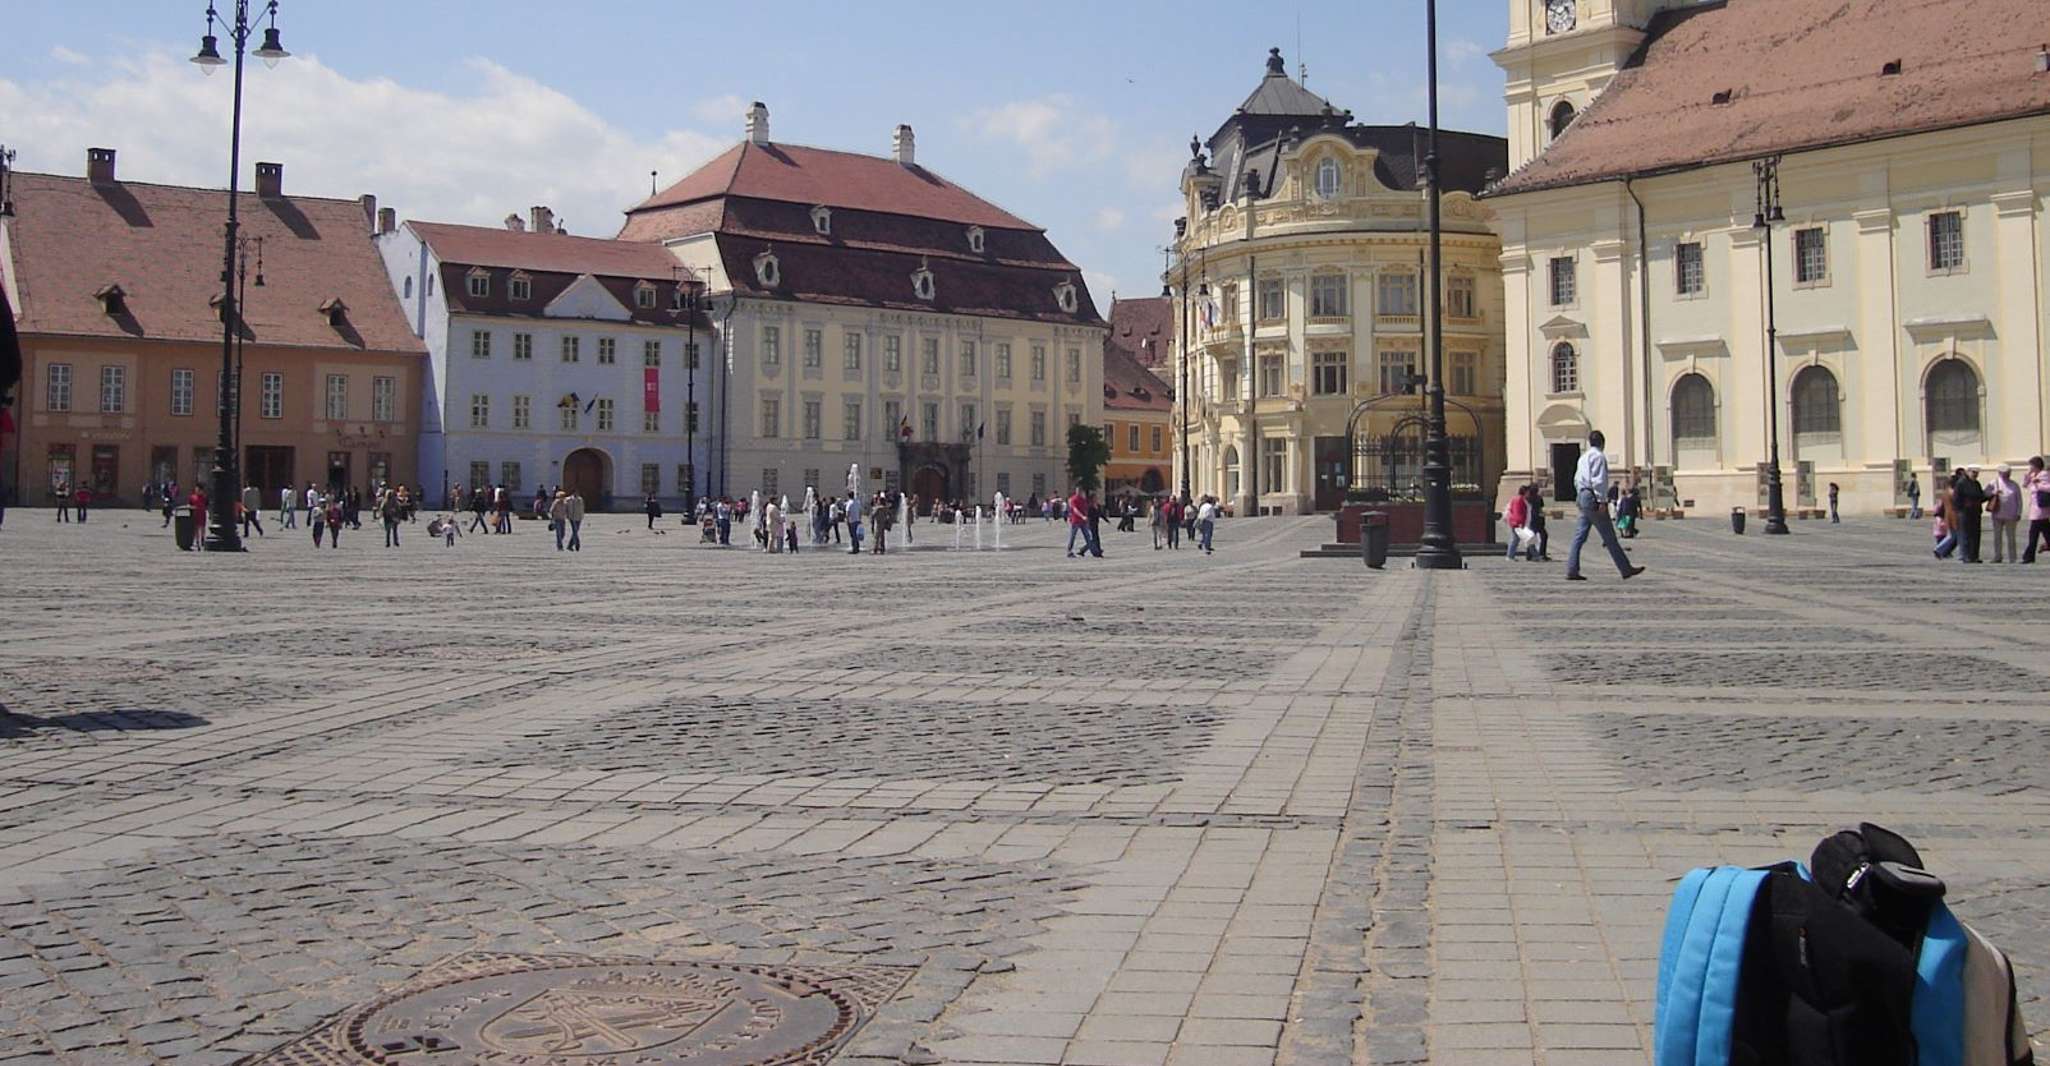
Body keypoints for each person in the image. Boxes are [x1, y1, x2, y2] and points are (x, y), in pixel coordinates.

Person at [1565, 429, 1644, 582]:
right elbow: (1599, 481)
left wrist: (1580, 496)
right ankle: (1625, 568)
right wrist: (1602, 501)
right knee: (1609, 537)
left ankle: (1572, 569)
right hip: (1593, 497)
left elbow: (1576, 478)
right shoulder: (1599, 457)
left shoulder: (1583, 457)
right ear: (1602, 443)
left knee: (1579, 536)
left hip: (1582, 494)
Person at [1985, 464, 2021, 563]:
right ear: (2000, 473)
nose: (2007, 475)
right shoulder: (1994, 483)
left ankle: (2012, 557)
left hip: (2011, 515)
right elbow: (1985, 494)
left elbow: (2019, 500)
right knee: (1997, 536)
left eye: (2008, 473)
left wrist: (2018, 512)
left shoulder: (2014, 484)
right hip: (1997, 514)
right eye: (2005, 473)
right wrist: (1993, 493)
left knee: (2011, 537)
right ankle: (1997, 556)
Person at [1951, 467, 1986, 564]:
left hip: (1976, 512)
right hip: (1965, 512)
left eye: (1977, 473)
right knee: (1966, 534)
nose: (1975, 474)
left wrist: (1990, 495)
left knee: (1976, 535)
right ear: (1968, 472)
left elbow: (1981, 497)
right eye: (1973, 472)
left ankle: (1974, 556)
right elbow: (1956, 499)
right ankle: (1966, 556)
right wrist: (1960, 510)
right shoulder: (1961, 483)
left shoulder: (1976, 483)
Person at [2023, 457, 2050, 564]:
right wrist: (2028, 476)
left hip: (2040, 509)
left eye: (2031, 465)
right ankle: (2029, 556)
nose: (2030, 467)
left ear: (2036, 465)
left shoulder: (2044, 474)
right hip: (2035, 509)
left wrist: (2037, 484)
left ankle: (2028, 557)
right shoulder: (2033, 475)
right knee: (2046, 533)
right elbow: (2025, 485)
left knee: (2033, 534)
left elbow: (2048, 487)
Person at [1505, 485, 1533, 561]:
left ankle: (1510, 555)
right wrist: (1520, 523)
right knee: (1522, 539)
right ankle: (1510, 556)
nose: (1529, 493)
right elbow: (1518, 512)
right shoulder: (1520, 500)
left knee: (1519, 539)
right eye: (1528, 492)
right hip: (1518, 523)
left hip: (1515, 522)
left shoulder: (1516, 499)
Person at [1066, 487, 1092, 558]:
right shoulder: (1073, 499)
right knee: (1072, 536)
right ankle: (1069, 551)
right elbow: (1075, 509)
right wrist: (1082, 516)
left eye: (1080, 491)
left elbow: (1085, 509)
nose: (1079, 492)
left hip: (1083, 521)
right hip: (1076, 520)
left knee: (1088, 536)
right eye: (1078, 491)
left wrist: (1086, 518)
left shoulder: (1083, 499)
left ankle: (1084, 550)